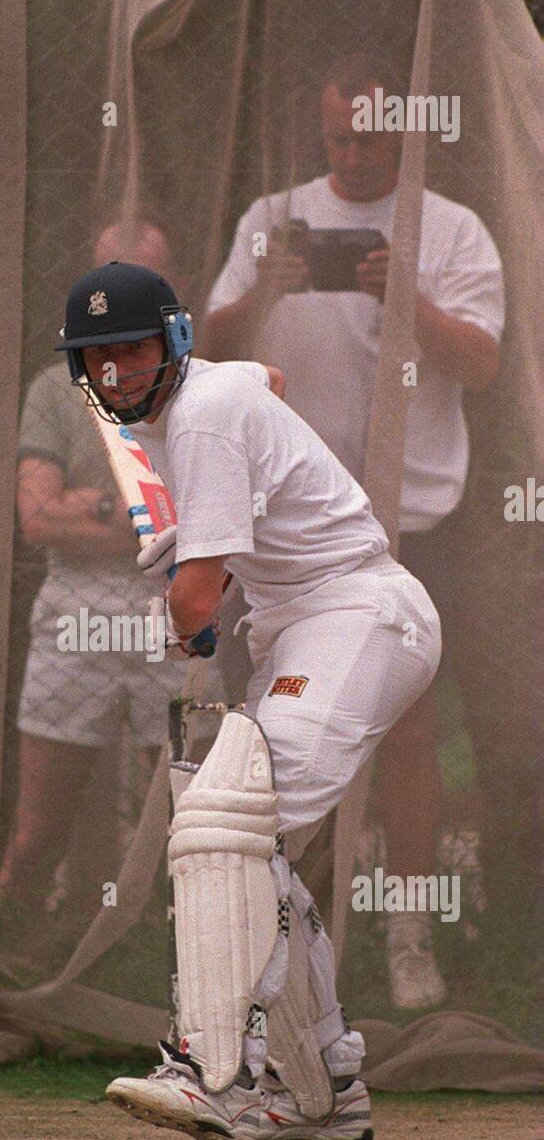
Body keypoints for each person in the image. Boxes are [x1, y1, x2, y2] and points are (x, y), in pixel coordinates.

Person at [56, 260, 441, 1140]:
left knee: (227, 825)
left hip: (357, 612)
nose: (115, 372)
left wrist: (181, 622)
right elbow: (266, 377)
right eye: (97, 359)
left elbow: (197, 602)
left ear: (176, 342)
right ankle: (322, 1093)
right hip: (302, 628)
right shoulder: (211, 394)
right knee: (246, 849)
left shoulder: (204, 416)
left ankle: (209, 1072)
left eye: (133, 349)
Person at [202, 50, 504, 1010]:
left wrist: (399, 296)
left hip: (408, 517)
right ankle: (279, 940)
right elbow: (207, 348)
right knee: (273, 727)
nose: (357, 154)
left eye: (374, 138)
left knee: (404, 729)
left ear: (407, 130)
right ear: (320, 130)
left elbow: (484, 362)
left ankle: (408, 937)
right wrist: (272, 289)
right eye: (340, 138)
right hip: (284, 533)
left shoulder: (450, 229)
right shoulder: (270, 218)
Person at [0, 221, 192, 976]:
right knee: (37, 830)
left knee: (190, 821)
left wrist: (103, 509)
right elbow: (37, 517)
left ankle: (176, 980)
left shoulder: (198, 388)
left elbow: (198, 526)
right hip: (73, 610)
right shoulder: (52, 389)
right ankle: (2, 970)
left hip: (174, 607)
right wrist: (136, 510)